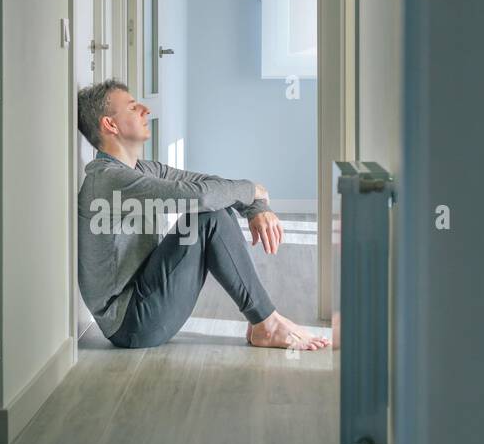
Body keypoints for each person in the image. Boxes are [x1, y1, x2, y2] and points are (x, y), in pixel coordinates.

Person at [77, 80, 331, 352]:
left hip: (145, 301)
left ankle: (266, 320)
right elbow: (201, 198)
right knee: (208, 217)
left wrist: (255, 205)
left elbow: (209, 185)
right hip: (131, 324)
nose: (145, 110)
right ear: (110, 125)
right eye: (132, 107)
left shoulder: (142, 169)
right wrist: (254, 191)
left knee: (213, 208)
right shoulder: (108, 179)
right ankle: (266, 323)